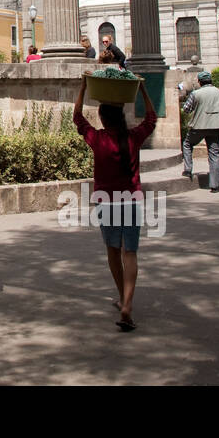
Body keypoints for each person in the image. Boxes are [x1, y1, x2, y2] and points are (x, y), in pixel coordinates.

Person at [73, 73, 157, 331]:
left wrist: (84, 86)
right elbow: (151, 119)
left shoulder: (98, 139)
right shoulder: (133, 138)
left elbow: (77, 118)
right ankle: (127, 303)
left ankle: (122, 297)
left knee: (112, 250)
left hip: (106, 202)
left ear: (102, 118)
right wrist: (142, 89)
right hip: (130, 199)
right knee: (129, 252)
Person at [181, 71, 219, 192]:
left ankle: (188, 169)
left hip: (199, 126)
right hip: (216, 126)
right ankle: (215, 185)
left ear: (200, 82)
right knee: (214, 154)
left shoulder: (196, 93)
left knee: (187, 144)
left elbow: (186, 109)